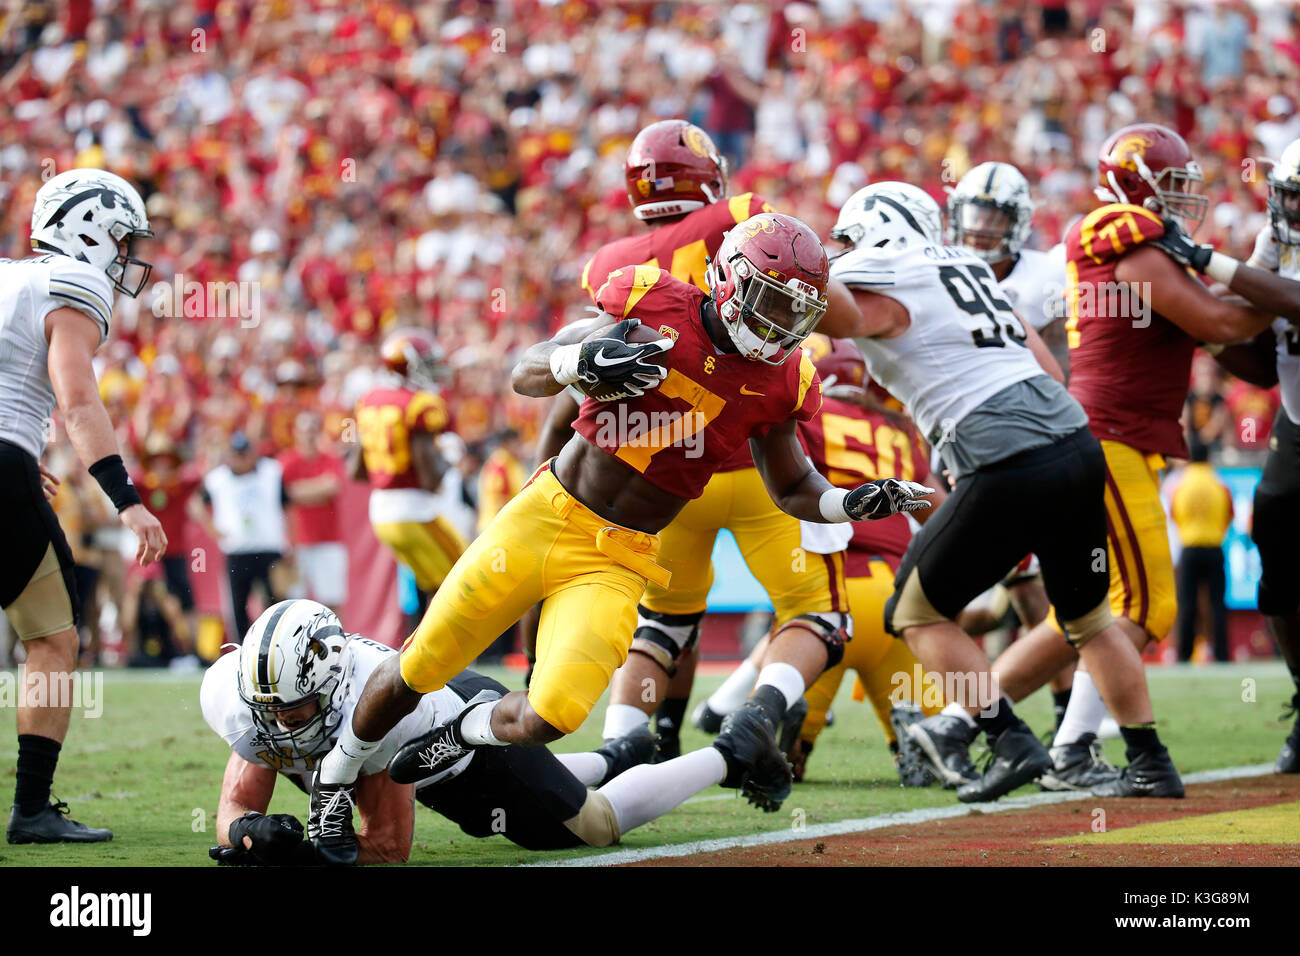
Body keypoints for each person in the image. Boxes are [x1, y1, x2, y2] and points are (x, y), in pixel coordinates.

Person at [309, 213, 933, 865]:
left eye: (795, 312)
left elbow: (792, 485)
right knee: (421, 662)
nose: (779, 325)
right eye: (770, 302)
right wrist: (575, 359)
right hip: (548, 513)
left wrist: (845, 502)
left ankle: (463, 728)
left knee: (552, 715)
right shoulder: (653, 302)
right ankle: (333, 784)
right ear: (729, 280)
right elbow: (528, 372)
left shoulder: (781, 380)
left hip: (624, 553)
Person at [944, 124, 1284, 797]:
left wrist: (1249, 296)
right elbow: (1217, 323)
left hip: (1120, 435)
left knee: (1095, 609)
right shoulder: (1121, 234)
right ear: (1139, 182)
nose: (1187, 196)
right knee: (1140, 609)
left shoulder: (1141, 244)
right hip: (1109, 436)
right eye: (1175, 182)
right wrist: (1265, 290)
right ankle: (972, 724)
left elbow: (1232, 344)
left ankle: (1046, 741)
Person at [829, 180, 1180, 802]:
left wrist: (779, 267)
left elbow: (837, 313)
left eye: (848, 240)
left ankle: (1010, 740)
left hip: (1005, 456)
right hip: (1075, 444)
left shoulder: (881, 282)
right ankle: (1151, 761)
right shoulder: (965, 264)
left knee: (913, 611)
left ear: (871, 234)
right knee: (1090, 618)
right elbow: (1046, 368)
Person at [202, 600, 680, 864]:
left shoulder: (373, 708)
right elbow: (232, 809)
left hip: (474, 752)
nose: (278, 723)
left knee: (596, 825)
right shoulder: (253, 700)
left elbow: (389, 846)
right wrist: (250, 832)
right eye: (268, 708)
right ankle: (615, 755)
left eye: (293, 709)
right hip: (425, 761)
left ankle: (727, 753)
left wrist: (296, 859)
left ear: (330, 686)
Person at [691, 335, 949, 787]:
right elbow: (939, 511)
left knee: (774, 714)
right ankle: (923, 732)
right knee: (936, 727)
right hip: (896, 597)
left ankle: (788, 735)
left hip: (836, 595)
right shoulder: (900, 428)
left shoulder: (807, 409)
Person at [3, 169, 166, 843]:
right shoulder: (73, 283)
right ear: (90, 229)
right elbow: (77, 401)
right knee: (52, 640)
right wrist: (126, 501)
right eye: (121, 240)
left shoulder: (8, 276)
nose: (125, 257)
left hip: (11, 460)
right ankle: (33, 810)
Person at [351, 327, 464, 634]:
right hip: (416, 510)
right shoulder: (420, 405)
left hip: (382, 514)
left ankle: (416, 653)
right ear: (408, 364)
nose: (432, 368)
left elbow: (357, 470)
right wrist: (449, 457)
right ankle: (442, 655)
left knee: (429, 584)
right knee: (463, 576)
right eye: (426, 361)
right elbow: (429, 479)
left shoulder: (370, 399)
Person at [189, 431, 289, 643]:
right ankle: (243, 651)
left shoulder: (271, 472)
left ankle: (278, 647)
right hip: (237, 550)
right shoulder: (219, 479)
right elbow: (195, 503)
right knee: (238, 606)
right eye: (237, 454)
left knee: (276, 603)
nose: (242, 459)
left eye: (245, 453)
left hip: (269, 550)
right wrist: (212, 528)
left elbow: (287, 507)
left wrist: (291, 544)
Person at [1169, 445, 1234, 662]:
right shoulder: (1219, 484)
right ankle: (1222, 654)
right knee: (1217, 604)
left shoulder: (1181, 485)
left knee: (1187, 603)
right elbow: (1229, 514)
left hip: (1189, 549)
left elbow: (1174, 514)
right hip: (1214, 548)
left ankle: (1184, 655)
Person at [278, 410, 348, 610]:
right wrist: (317, 489)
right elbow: (285, 494)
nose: (308, 435)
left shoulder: (330, 459)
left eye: (312, 430)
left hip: (328, 540)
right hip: (295, 543)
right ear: (296, 432)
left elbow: (332, 487)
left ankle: (334, 642)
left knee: (332, 601)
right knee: (292, 605)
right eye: (304, 430)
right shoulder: (286, 461)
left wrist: (297, 491)